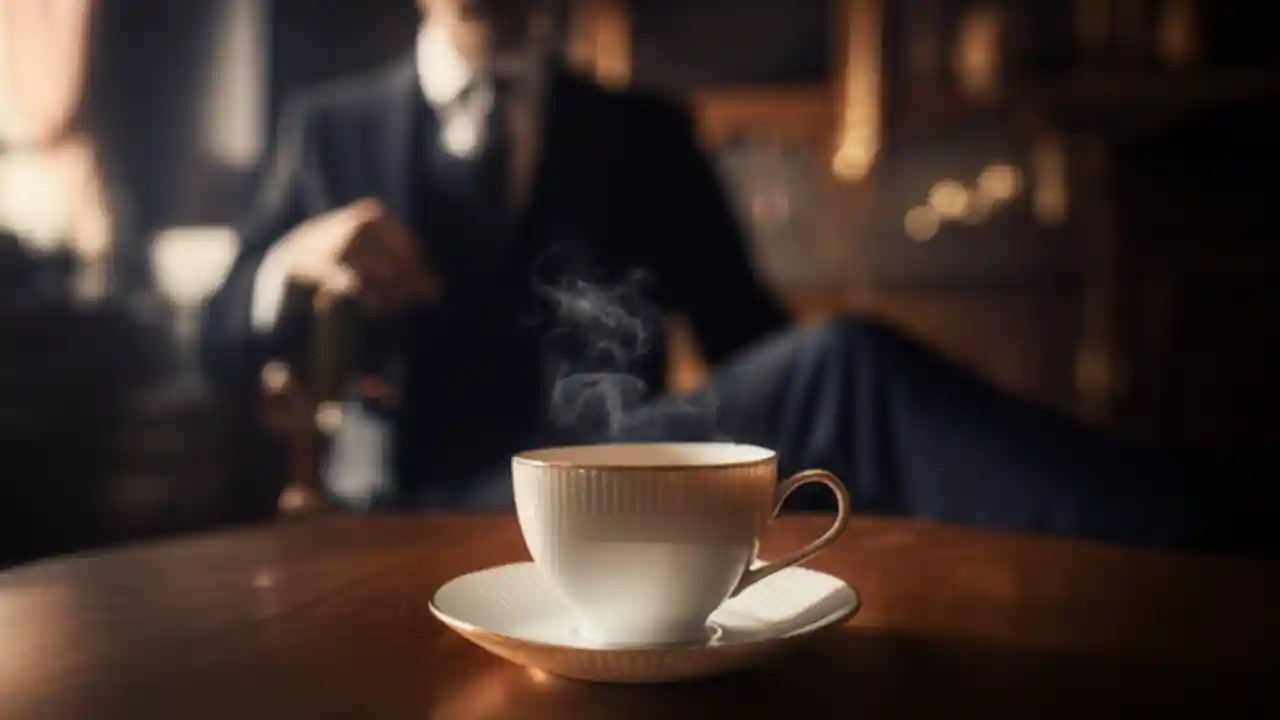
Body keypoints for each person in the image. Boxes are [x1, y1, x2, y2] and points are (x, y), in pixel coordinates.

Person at [204, 0, 1268, 552]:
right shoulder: (327, 133)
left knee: (831, 372)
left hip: (611, 487)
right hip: (416, 508)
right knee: (840, 365)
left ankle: (1203, 532)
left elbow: (748, 348)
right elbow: (211, 344)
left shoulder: (642, 135)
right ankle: (1219, 519)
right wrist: (280, 270)